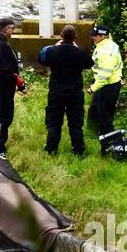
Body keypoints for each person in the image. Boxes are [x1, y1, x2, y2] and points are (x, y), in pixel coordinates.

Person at [39, 24, 94, 155]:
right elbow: (89, 63)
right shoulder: (79, 52)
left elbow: (41, 59)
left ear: (61, 36)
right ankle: (78, 150)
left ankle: (52, 149)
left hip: (56, 91)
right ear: (75, 37)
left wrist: (53, 46)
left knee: (54, 122)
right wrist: (77, 48)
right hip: (74, 91)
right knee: (75, 122)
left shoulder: (52, 51)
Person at [0, 16, 25, 157]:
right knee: (5, 117)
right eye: (11, 28)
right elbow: (5, 70)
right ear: (4, 29)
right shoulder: (1, 45)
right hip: (4, 85)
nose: (13, 30)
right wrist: (17, 79)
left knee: (3, 116)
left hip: (2, 84)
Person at [88, 24, 124, 137]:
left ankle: (108, 138)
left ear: (102, 36)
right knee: (94, 109)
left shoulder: (106, 51)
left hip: (108, 85)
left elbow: (105, 74)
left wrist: (93, 88)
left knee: (105, 115)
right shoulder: (108, 44)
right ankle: (92, 132)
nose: (92, 38)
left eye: (95, 36)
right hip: (106, 84)